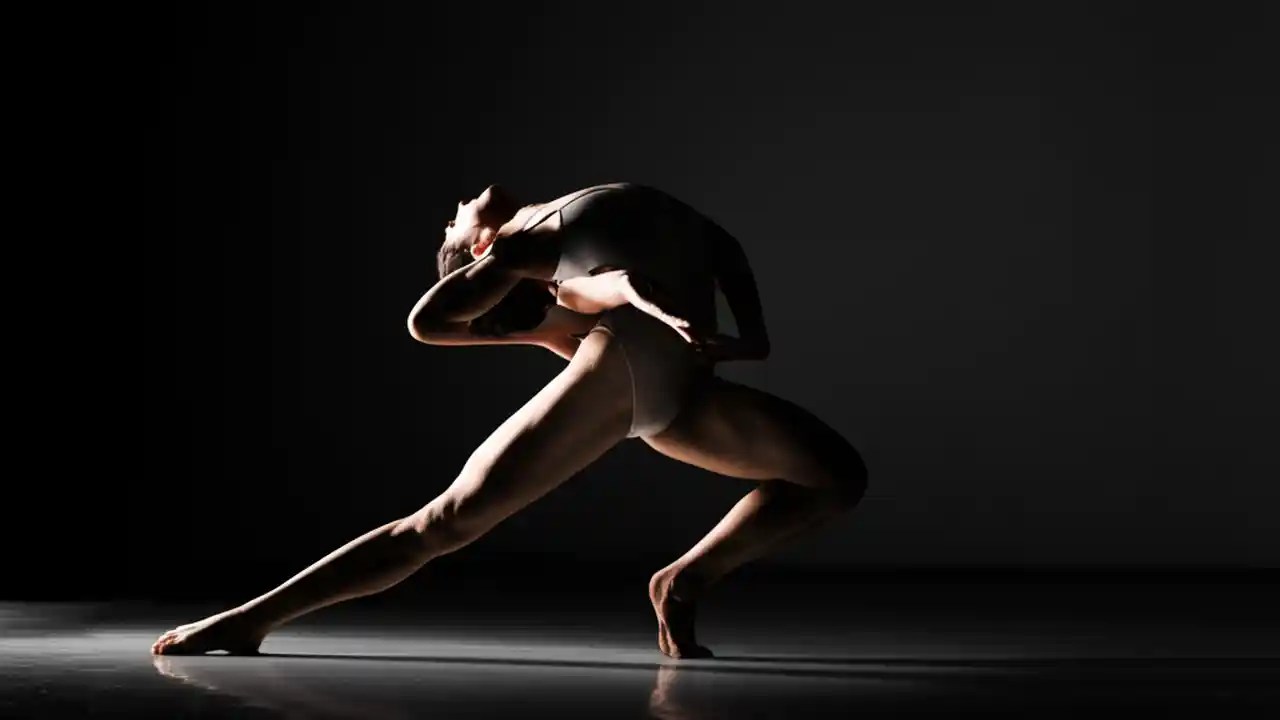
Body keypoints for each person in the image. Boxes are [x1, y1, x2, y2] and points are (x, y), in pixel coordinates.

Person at [152, 182, 868, 659]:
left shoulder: (552, 236)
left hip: (683, 392)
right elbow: (435, 321)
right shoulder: (526, 247)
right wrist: (534, 283)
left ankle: (682, 583)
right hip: (622, 370)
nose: (454, 207)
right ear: (474, 247)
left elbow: (719, 248)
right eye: (453, 225)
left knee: (834, 478)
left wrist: (753, 333)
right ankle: (249, 620)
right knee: (442, 523)